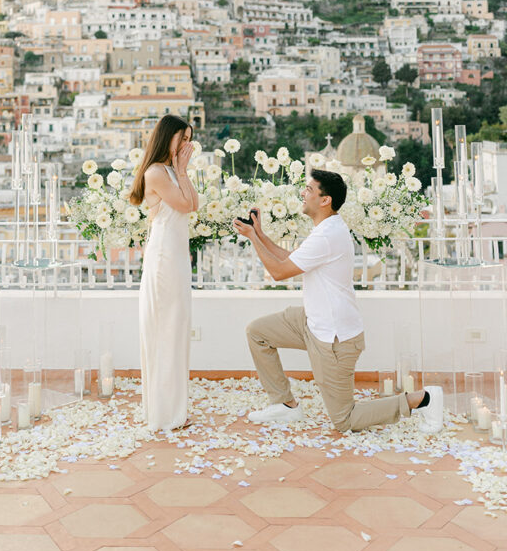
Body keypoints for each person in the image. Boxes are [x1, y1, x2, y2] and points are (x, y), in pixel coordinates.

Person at [235, 167, 443, 434]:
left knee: (345, 420)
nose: (303, 192)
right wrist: (260, 233)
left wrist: (252, 238)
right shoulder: (327, 229)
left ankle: (424, 399)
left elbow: (278, 272)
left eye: (309, 189)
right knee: (258, 332)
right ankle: (285, 405)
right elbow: (290, 259)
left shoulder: (327, 235)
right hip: (311, 321)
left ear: (325, 200)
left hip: (334, 339)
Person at [129, 114, 199, 431]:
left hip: (177, 256)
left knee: (178, 325)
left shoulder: (172, 171)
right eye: (182, 139)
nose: (187, 145)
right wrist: (183, 169)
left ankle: (175, 409)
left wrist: (182, 170)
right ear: (167, 138)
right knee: (165, 327)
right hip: (163, 257)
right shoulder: (157, 172)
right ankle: (163, 412)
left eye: (189, 139)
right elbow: (183, 206)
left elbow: (193, 203)